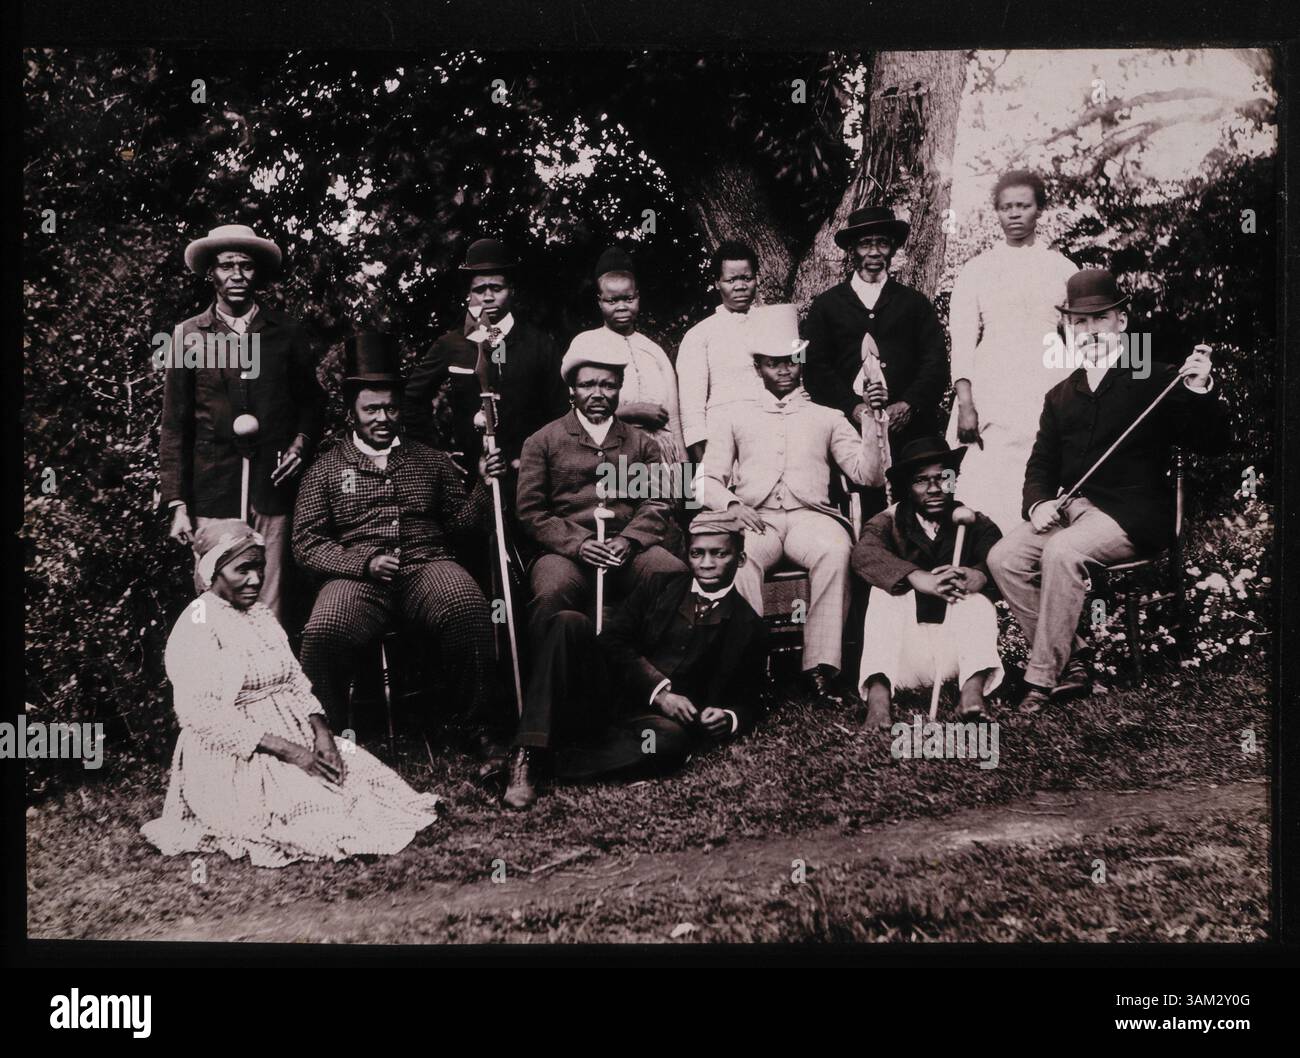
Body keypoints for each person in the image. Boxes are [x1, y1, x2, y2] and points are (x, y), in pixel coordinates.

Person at [987, 270, 1229, 714]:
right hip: (1074, 511)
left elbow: (1212, 443)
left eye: (1100, 318)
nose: (1090, 330)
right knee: (1003, 557)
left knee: (1061, 551)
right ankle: (1077, 657)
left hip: (1134, 515)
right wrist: (1039, 503)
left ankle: (1040, 681)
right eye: (1079, 322)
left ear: (1122, 321)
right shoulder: (1061, 395)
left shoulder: (1156, 377)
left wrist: (1199, 389)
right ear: (1067, 330)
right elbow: (1040, 464)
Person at [141, 520, 440, 868]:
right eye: (242, 570)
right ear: (214, 572)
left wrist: (322, 734)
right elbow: (202, 716)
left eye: (259, 568)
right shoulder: (198, 622)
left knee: (361, 781)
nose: (255, 579)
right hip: (236, 751)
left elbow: (295, 680)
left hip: (290, 730)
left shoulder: (259, 614)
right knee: (313, 812)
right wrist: (291, 753)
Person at [293, 332, 508, 741]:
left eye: (390, 408)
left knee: (467, 605)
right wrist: (363, 562)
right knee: (324, 629)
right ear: (352, 412)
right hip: (357, 581)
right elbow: (306, 542)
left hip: (427, 568)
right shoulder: (325, 469)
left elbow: (461, 527)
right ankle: (325, 739)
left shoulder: (430, 461)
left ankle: (478, 729)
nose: (382, 418)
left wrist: (482, 486)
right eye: (371, 409)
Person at [507, 340, 686, 806]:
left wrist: (628, 542)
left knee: (668, 570)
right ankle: (542, 717)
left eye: (608, 383)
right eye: (588, 383)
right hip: (567, 551)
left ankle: (646, 691)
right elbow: (530, 512)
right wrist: (579, 544)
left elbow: (658, 501)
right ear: (572, 388)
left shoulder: (641, 442)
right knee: (550, 595)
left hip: (625, 549)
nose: (598, 392)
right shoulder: (543, 441)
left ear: (620, 387)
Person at [502, 510, 768, 808]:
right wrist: (659, 691)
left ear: (740, 559)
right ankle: (526, 752)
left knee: (670, 743)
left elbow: (754, 695)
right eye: (697, 553)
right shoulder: (661, 585)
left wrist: (729, 718)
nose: (706, 564)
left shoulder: (749, 626)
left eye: (719, 554)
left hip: (653, 725)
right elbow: (613, 640)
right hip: (608, 696)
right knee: (568, 622)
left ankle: (551, 766)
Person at [695, 304, 886, 704]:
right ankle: (747, 668)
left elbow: (867, 476)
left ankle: (820, 669)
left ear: (801, 363)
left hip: (810, 517)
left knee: (836, 552)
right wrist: (731, 505)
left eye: (791, 362)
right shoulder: (735, 417)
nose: (784, 370)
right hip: (755, 516)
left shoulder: (827, 416)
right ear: (759, 367)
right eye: (774, 363)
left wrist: (871, 423)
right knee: (739, 559)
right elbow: (706, 480)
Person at [160, 223, 325, 624]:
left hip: (272, 488)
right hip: (212, 490)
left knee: (266, 598)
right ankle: (219, 685)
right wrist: (177, 504)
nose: (237, 275)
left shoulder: (285, 333)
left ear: (258, 274)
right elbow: (174, 425)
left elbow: (313, 403)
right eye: (226, 266)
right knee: (215, 599)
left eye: (246, 266)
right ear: (210, 274)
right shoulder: (188, 336)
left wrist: (300, 446)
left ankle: (268, 684)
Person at [945, 170, 1080, 532]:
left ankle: (1040, 564)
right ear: (997, 212)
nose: (1015, 214)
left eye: (1024, 205)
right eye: (1007, 207)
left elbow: (1077, 340)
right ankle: (988, 568)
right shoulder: (976, 270)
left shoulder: (1063, 269)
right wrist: (966, 403)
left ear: (1039, 210)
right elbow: (962, 339)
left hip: (1048, 379)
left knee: (1044, 462)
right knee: (990, 474)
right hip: (994, 383)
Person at [851, 438, 1005, 728]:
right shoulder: (889, 521)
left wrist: (980, 575)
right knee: (885, 596)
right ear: (908, 488)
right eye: (921, 481)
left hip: (957, 658)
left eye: (943, 478)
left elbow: (1002, 557)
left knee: (975, 601)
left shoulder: (973, 520)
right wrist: (919, 579)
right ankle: (879, 702)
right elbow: (863, 555)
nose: (934, 489)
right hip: (903, 659)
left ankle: (971, 695)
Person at [402, 238, 568, 483]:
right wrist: (437, 456)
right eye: (480, 290)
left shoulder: (539, 344)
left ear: (512, 290)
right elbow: (411, 398)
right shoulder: (451, 344)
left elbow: (560, 412)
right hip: (472, 477)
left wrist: (542, 460)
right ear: (468, 294)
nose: (488, 297)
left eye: (496, 288)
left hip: (531, 477)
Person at [803, 206, 949, 466]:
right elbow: (815, 368)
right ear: (851, 250)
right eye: (865, 244)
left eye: (882, 243)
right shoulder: (827, 305)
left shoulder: (914, 303)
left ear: (892, 249)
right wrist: (854, 408)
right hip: (848, 433)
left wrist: (908, 404)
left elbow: (935, 362)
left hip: (910, 431)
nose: (873, 252)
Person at [564, 247, 686, 464]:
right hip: (609, 452)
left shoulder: (653, 350)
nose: (622, 307)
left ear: (637, 297)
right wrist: (632, 411)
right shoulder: (586, 344)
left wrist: (685, 469)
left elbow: (675, 418)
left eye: (628, 299)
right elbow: (576, 414)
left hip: (662, 454)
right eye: (612, 301)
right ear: (599, 301)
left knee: (667, 497)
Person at [675, 240, 767, 464]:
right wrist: (708, 468)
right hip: (726, 446)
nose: (740, 286)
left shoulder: (773, 325)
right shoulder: (700, 335)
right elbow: (692, 411)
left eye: (746, 278)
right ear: (717, 283)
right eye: (731, 280)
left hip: (773, 437)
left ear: (757, 279)